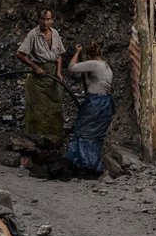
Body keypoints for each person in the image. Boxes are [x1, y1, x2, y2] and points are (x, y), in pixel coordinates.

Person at [14, 9, 66, 142]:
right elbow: (20, 54)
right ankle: (36, 140)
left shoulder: (55, 33)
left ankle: (55, 139)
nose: (45, 22)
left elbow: (59, 55)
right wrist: (35, 67)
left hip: (53, 76)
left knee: (55, 107)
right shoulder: (33, 34)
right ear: (39, 19)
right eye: (43, 19)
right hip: (38, 78)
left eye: (48, 19)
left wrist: (59, 72)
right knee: (37, 109)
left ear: (52, 20)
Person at [65, 40, 115, 176]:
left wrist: (76, 52)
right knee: (96, 135)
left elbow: (72, 67)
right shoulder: (106, 66)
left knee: (84, 133)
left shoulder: (93, 64)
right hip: (106, 103)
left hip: (94, 103)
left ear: (88, 55)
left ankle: (82, 165)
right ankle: (94, 165)